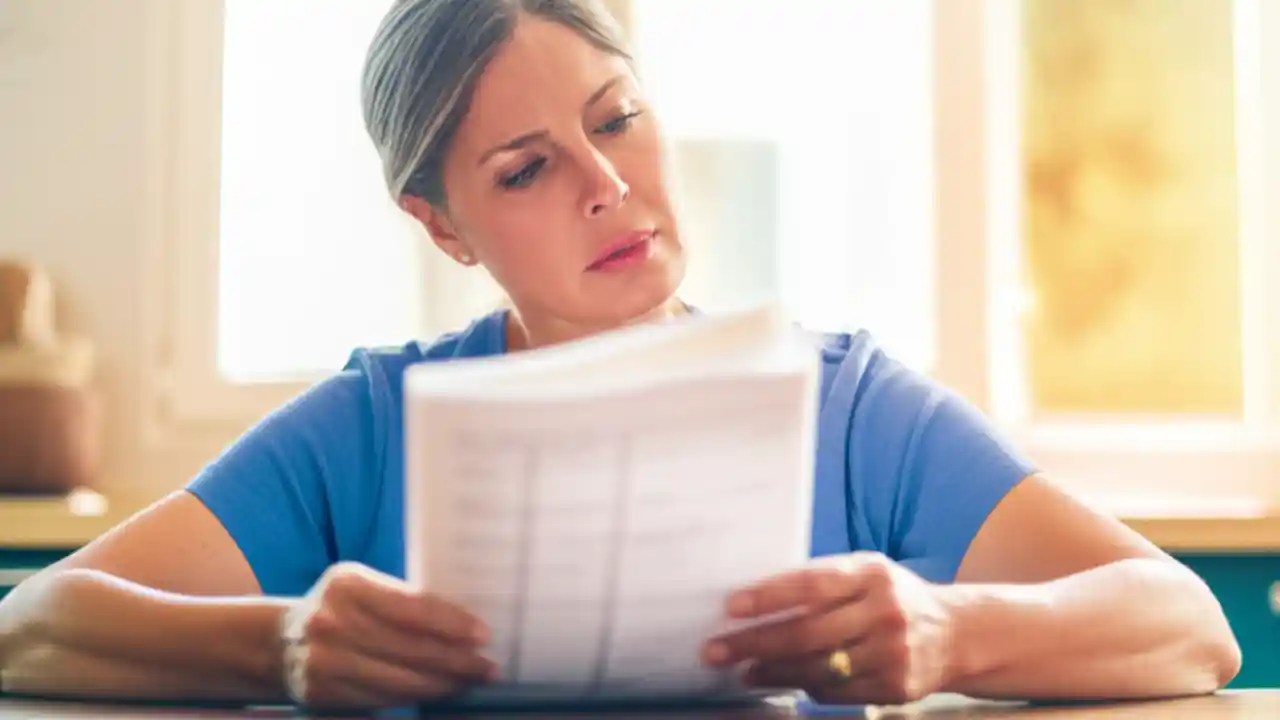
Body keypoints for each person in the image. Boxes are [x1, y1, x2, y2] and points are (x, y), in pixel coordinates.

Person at [0, 0, 1240, 712]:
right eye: (527, 168)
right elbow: (32, 624)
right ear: (442, 224)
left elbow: (1186, 625)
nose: (607, 186)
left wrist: (949, 630)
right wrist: (273, 644)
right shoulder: (373, 421)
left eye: (617, 121)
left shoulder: (850, 404)